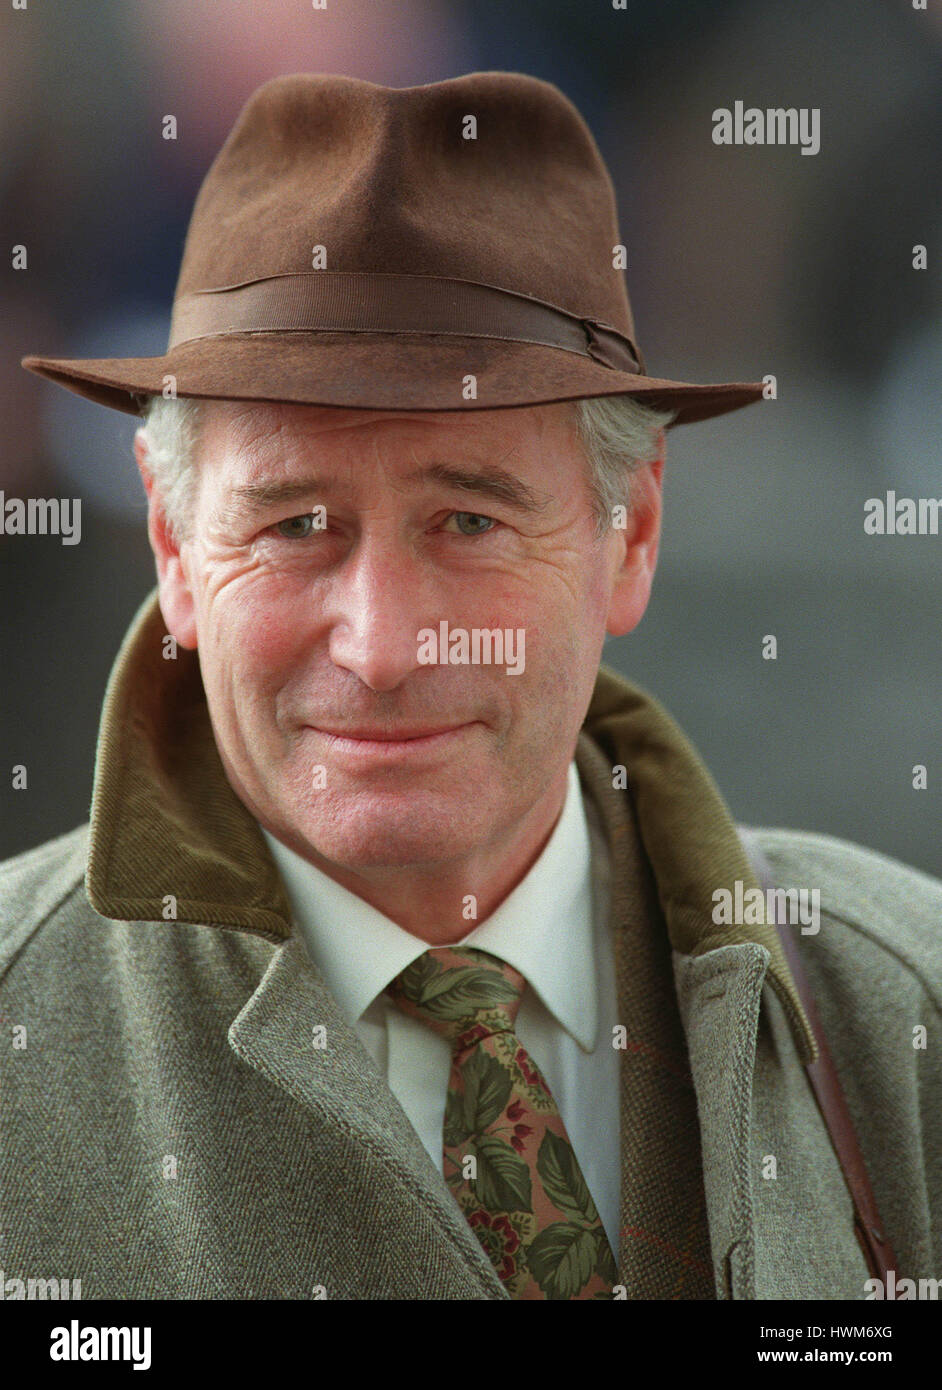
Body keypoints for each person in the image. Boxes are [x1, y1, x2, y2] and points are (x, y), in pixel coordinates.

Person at [3, 71, 939, 1302]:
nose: (385, 646)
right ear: (175, 551)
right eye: (294, 526)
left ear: (635, 531)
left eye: (468, 518)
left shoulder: (902, 1005)